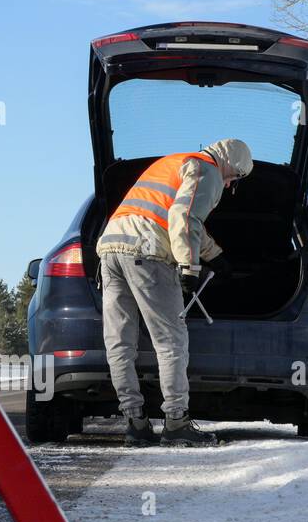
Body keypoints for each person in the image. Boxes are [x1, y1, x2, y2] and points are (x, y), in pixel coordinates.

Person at [95, 138, 253, 446]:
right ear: (231, 165)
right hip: (147, 254)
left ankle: (135, 423)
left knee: (119, 343)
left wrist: (216, 255)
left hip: (111, 249)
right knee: (170, 342)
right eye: (235, 178)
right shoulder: (206, 170)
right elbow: (184, 218)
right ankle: (176, 422)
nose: (232, 185)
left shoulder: (175, 163)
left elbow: (174, 215)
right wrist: (189, 268)